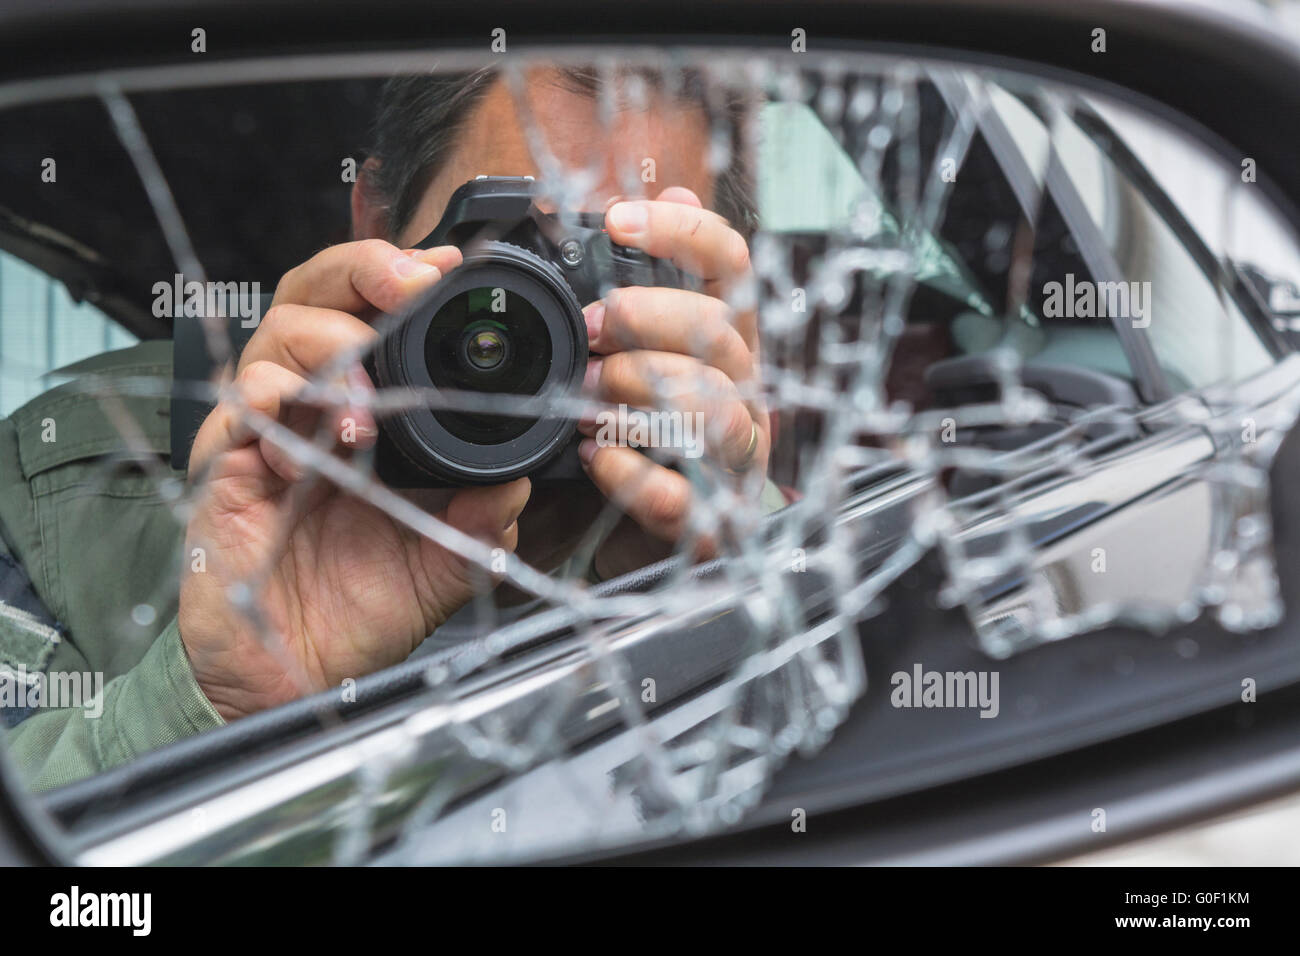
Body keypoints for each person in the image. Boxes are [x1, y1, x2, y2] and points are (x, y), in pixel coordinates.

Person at [0, 65, 779, 789]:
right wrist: (219, 704)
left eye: (612, 264)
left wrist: (725, 588)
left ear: (710, 314)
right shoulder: (57, 500)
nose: (543, 325)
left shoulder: (755, 541)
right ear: (376, 219)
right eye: (508, 250)